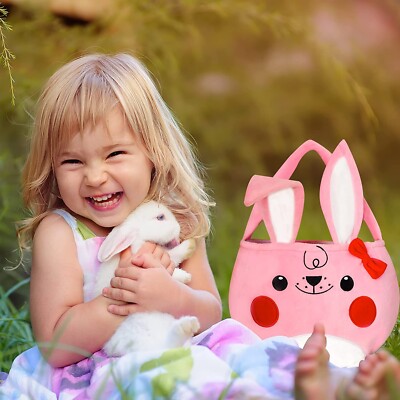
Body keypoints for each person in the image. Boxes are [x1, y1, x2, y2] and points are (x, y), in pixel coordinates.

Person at [0, 53, 399, 400]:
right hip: (113, 362)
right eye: (72, 161)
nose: (94, 176)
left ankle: (330, 384)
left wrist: (171, 296)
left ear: (152, 152)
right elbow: (55, 344)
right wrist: (127, 300)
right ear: (52, 166)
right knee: (157, 378)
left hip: (187, 345)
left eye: (115, 154)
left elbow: (210, 310)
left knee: (249, 353)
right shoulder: (61, 232)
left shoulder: (175, 219)